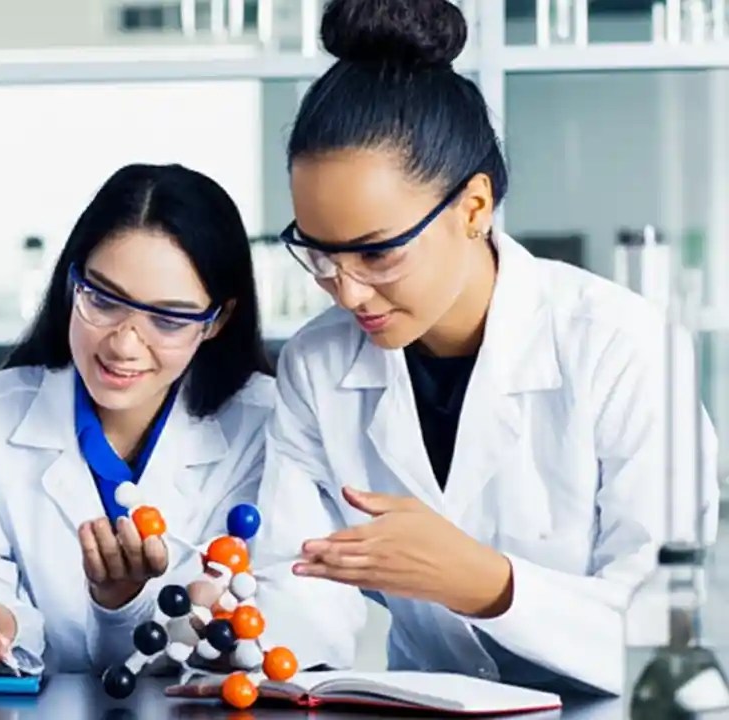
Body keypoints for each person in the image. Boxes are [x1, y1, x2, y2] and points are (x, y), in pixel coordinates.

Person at [249, 0, 720, 696]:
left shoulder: (623, 347)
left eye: (377, 253)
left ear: (473, 208)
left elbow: (665, 635)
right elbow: (302, 588)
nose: (346, 293)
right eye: (318, 255)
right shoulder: (318, 364)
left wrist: (487, 583)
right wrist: (240, 643)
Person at [0, 163, 352, 676]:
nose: (124, 344)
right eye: (103, 300)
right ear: (72, 283)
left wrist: (157, 613)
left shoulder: (269, 423)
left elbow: (306, 623)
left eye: (169, 319)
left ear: (217, 320)